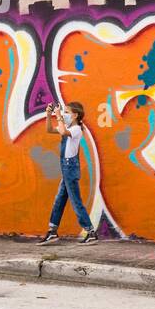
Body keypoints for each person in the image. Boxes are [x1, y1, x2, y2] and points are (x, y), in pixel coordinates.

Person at [38, 101, 98, 245]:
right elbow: (50, 129)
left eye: (67, 112)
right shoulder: (67, 127)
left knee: (76, 202)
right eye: (63, 111)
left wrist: (58, 115)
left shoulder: (76, 129)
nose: (64, 114)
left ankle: (90, 232)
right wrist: (48, 114)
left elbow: (64, 131)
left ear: (76, 115)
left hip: (70, 168)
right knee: (59, 200)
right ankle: (52, 231)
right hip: (66, 167)